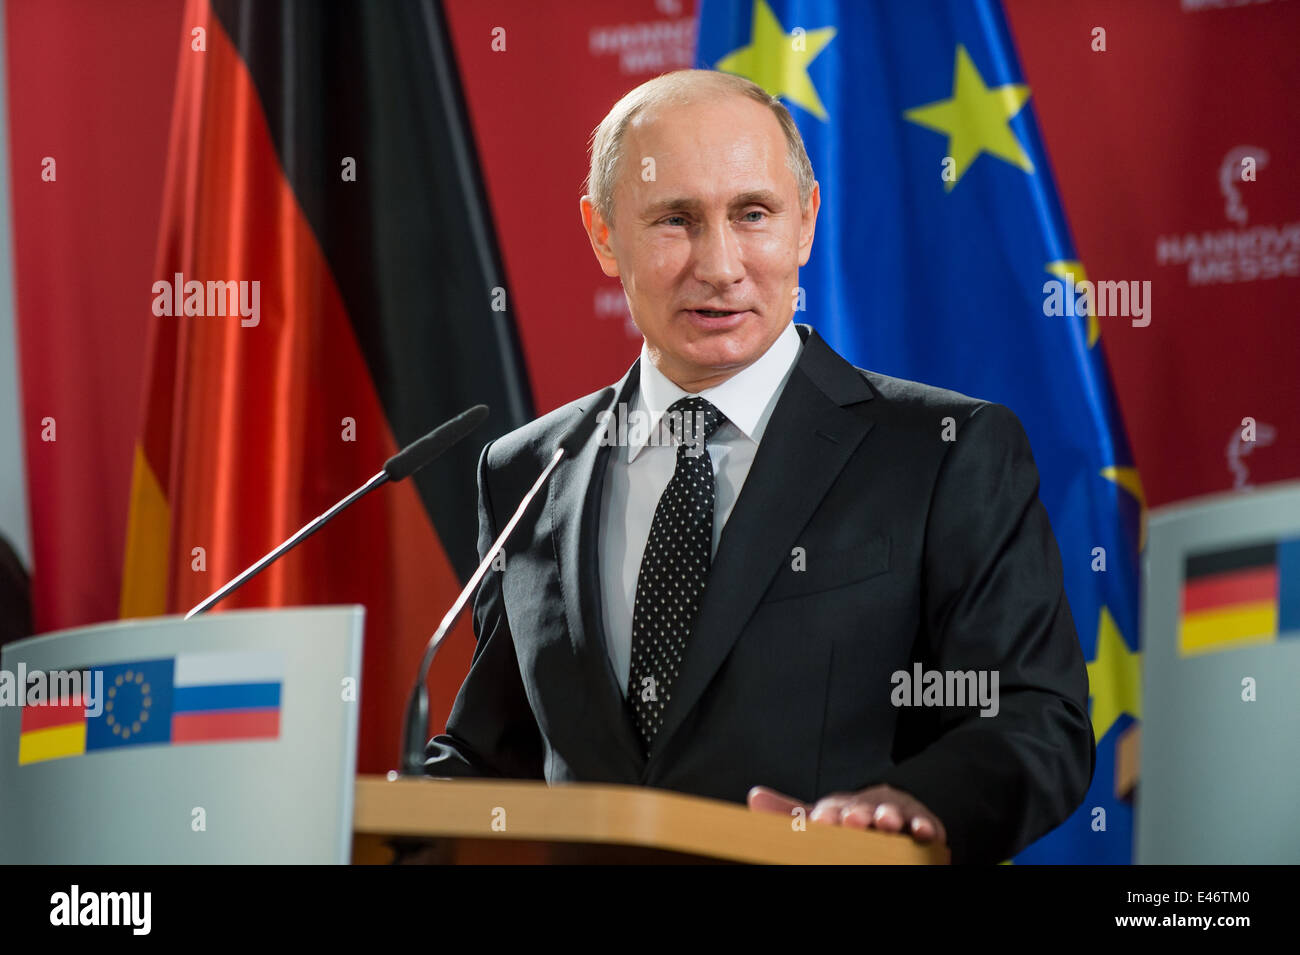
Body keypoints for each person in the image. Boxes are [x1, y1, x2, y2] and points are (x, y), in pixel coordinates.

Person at [425, 69, 1094, 865]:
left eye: (753, 214)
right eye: (675, 220)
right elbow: (496, 755)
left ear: (806, 222)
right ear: (604, 233)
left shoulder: (946, 449)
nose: (720, 264)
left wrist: (915, 804)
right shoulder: (526, 470)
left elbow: (1031, 717)